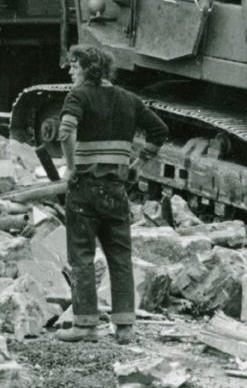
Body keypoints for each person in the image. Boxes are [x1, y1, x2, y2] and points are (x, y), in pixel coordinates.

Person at [56, 44, 169, 344]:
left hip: (84, 190)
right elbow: (159, 131)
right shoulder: (129, 100)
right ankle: (125, 327)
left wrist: (71, 167)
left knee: (81, 256)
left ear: (88, 68)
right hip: (117, 191)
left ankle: (86, 326)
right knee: (119, 257)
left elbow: (65, 131)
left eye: (74, 65)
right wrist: (137, 165)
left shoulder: (78, 96)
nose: (69, 71)